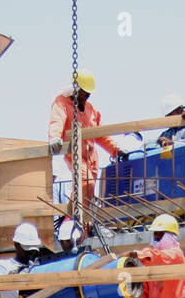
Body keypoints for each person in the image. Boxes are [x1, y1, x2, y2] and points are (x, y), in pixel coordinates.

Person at [48, 70, 129, 208]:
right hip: (75, 153)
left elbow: (101, 135)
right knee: (86, 182)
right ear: (76, 89)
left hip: (92, 157)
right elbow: (57, 121)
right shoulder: (62, 102)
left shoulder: (91, 110)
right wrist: (54, 137)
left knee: (87, 192)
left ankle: (86, 225)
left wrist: (116, 150)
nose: (88, 95)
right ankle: (73, 219)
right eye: (85, 92)